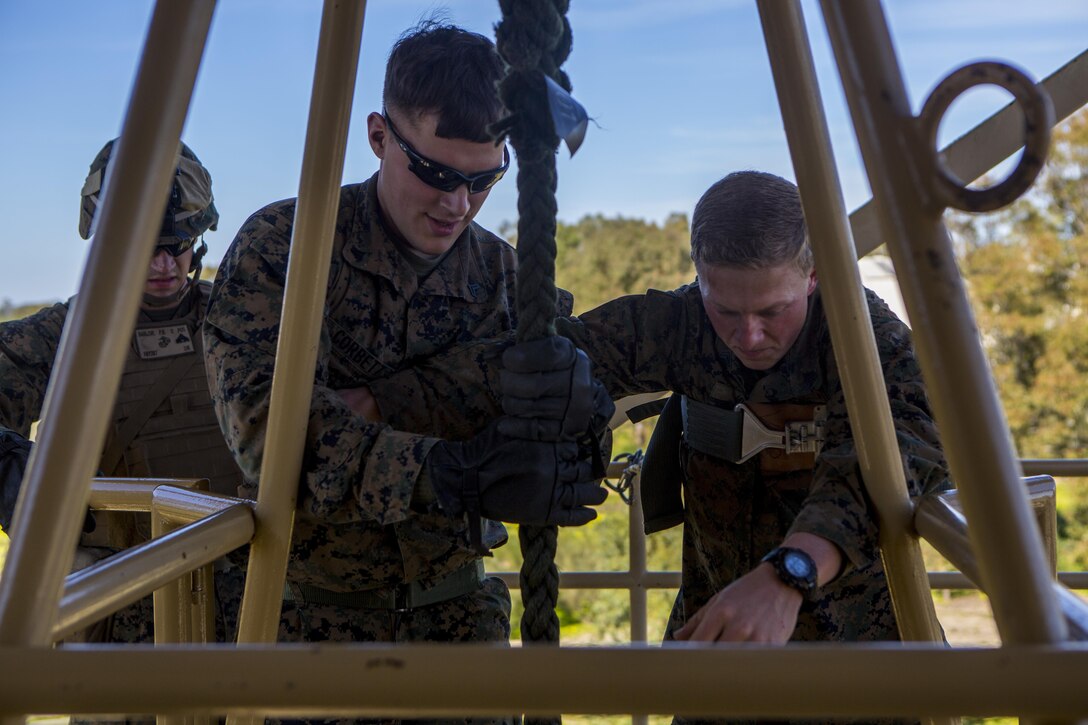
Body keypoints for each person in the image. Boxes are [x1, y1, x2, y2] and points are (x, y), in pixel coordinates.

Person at [365, 171, 952, 705]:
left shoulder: (864, 336)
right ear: (698, 276)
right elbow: (534, 365)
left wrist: (788, 574)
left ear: (815, 273)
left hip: (866, 653)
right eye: (725, 309)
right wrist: (376, 403)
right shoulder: (680, 324)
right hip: (718, 642)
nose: (747, 337)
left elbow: (898, 450)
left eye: (772, 311)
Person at [203, 21, 609, 724]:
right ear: (378, 136)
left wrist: (574, 447)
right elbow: (276, 436)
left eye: (485, 179)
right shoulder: (285, 251)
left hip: (459, 632)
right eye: (437, 174)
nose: (458, 204)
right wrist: (447, 471)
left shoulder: (508, 278)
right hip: (305, 635)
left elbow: (564, 422)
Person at [0, 138, 246, 657]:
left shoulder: (244, 322)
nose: (162, 264)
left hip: (251, 609)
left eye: (176, 245)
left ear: (198, 239)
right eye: (143, 246)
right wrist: (14, 468)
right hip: (125, 618)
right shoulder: (70, 335)